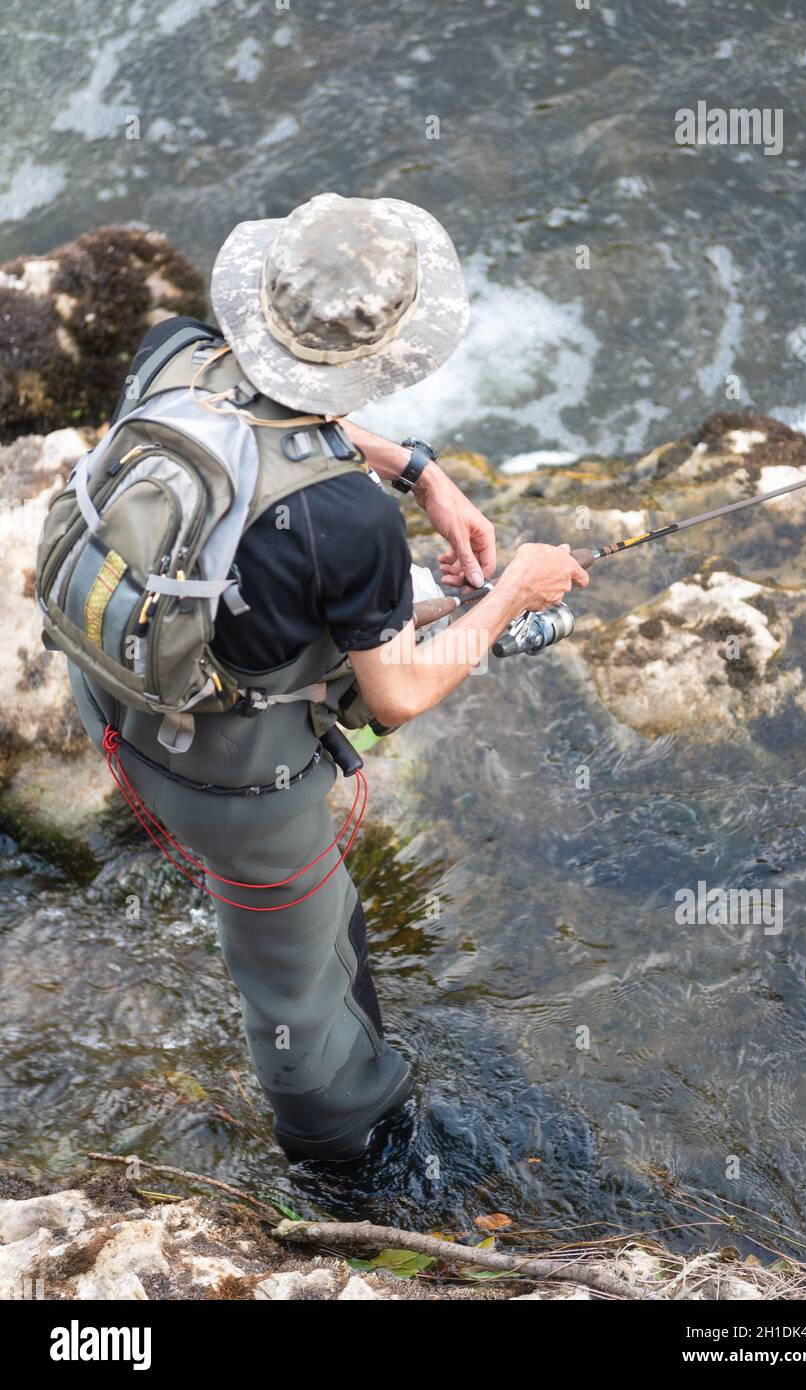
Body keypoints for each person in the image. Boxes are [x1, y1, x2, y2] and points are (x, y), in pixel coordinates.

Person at [65, 193, 589, 1162]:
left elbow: (268, 426)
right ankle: (346, 1164)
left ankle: (344, 1031)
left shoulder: (173, 347)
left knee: (342, 630)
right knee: (298, 1008)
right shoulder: (348, 522)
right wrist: (514, 589)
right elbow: (397, 696)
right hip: (237, 793)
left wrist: (419, 470)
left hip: (112, 693)